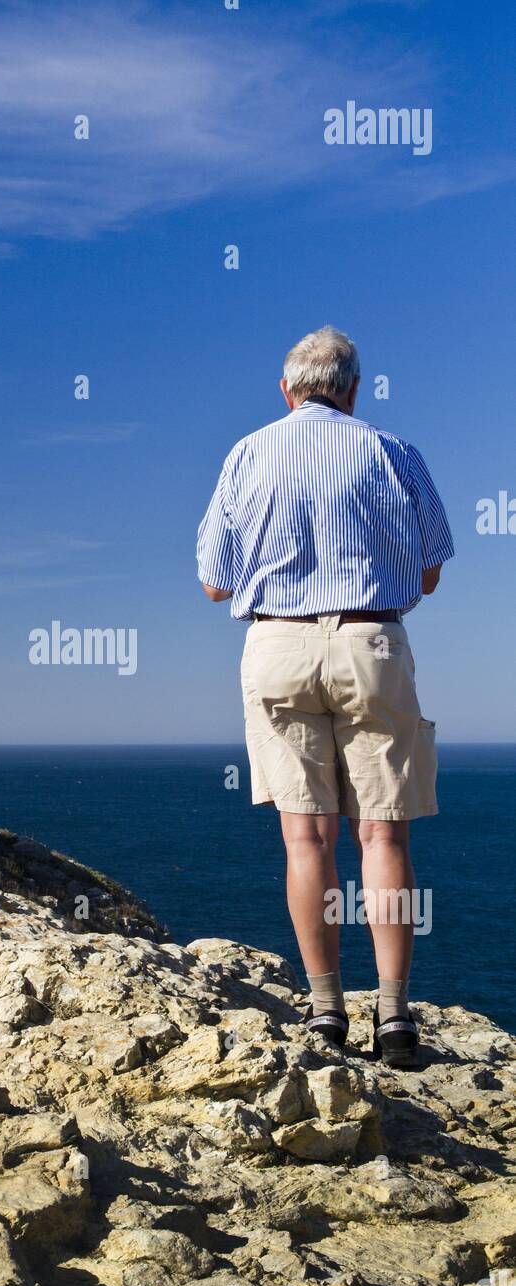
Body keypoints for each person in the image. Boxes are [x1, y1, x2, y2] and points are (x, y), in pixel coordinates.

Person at [196, 326, 454, 1068]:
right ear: (354, 388)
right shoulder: (391, 450)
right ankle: (397, 1017)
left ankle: (324, 1012)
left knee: (306, 838)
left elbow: (215, 581)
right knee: (383, 835)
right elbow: (431, 569)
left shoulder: (248, 452)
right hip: (372, 643)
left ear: (287, 390)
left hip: (278, 645)